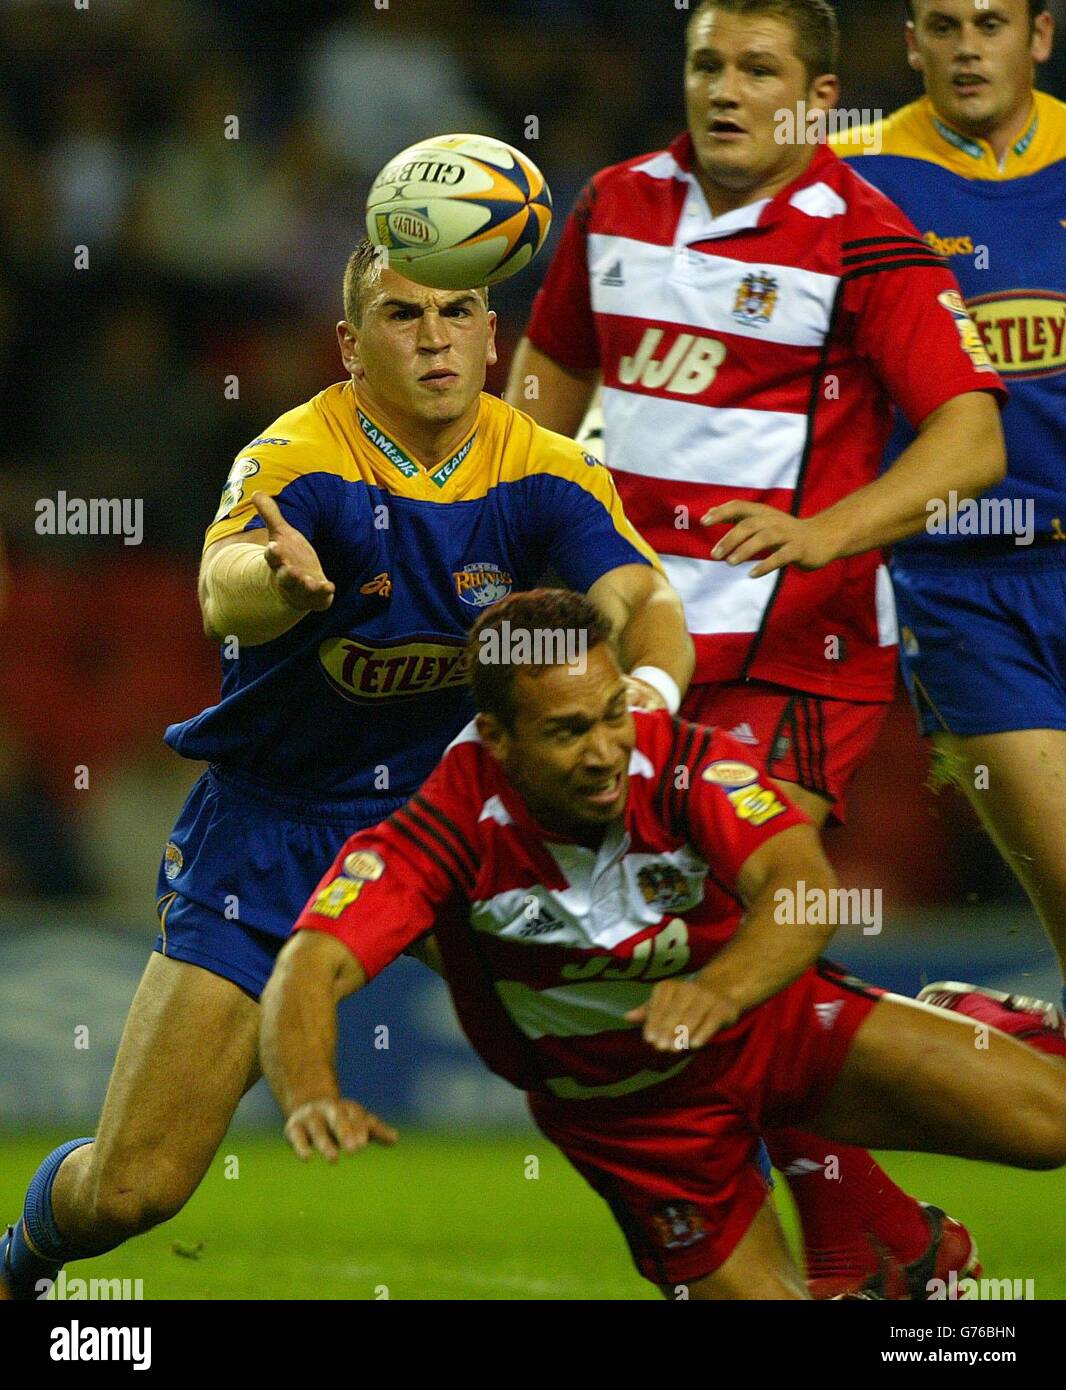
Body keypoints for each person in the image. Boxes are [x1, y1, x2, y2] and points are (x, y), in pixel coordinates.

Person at [0, 244, 694, 1302]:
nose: (434, 338)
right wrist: (279, 584)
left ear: (492, 336)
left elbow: (641, 597)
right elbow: (222, 589)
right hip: (270, 834)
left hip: (450, 823)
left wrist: (648, 689)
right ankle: (21, 1265)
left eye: (458, 311)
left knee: (654, 1061)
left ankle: (822, 1243)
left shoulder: (543, 467)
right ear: (350, 343)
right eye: (403, 314)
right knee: (133, 1191)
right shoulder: (299, 455)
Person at [504, 0, 1010, 1298]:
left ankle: (873, 1211)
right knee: (680, 943)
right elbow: (543, 394)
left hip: (795, 652)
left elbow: (970, 438)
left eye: (756, 68)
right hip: (641, 647)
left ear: (817, 93)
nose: (724, 88)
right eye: (705, 63)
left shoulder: (863, 234)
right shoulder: (613, 203)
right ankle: (882, 1229)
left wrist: (826, 529)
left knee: (719, 922)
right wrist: (522, 533)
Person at [259, 588, 1066, 1302]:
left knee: (1052, 1128)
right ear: (498, 738)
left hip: (772, 1027)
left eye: (613, 713)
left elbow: (803, 888)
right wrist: (311, 1090)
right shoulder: (440, 829)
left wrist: (720, 991)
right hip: (638, 1125)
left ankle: (977, 1026)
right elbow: (309, 964)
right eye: (569, 732)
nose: (606, 751)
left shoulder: (682, 761)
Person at [830, 0, 1066, 1016]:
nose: (967, 47)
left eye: (990, 22)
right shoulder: (848, 177)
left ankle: (1020, 1046)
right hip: (959, 587)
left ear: (1039, 35)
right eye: (943, 25)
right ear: (911, 41)